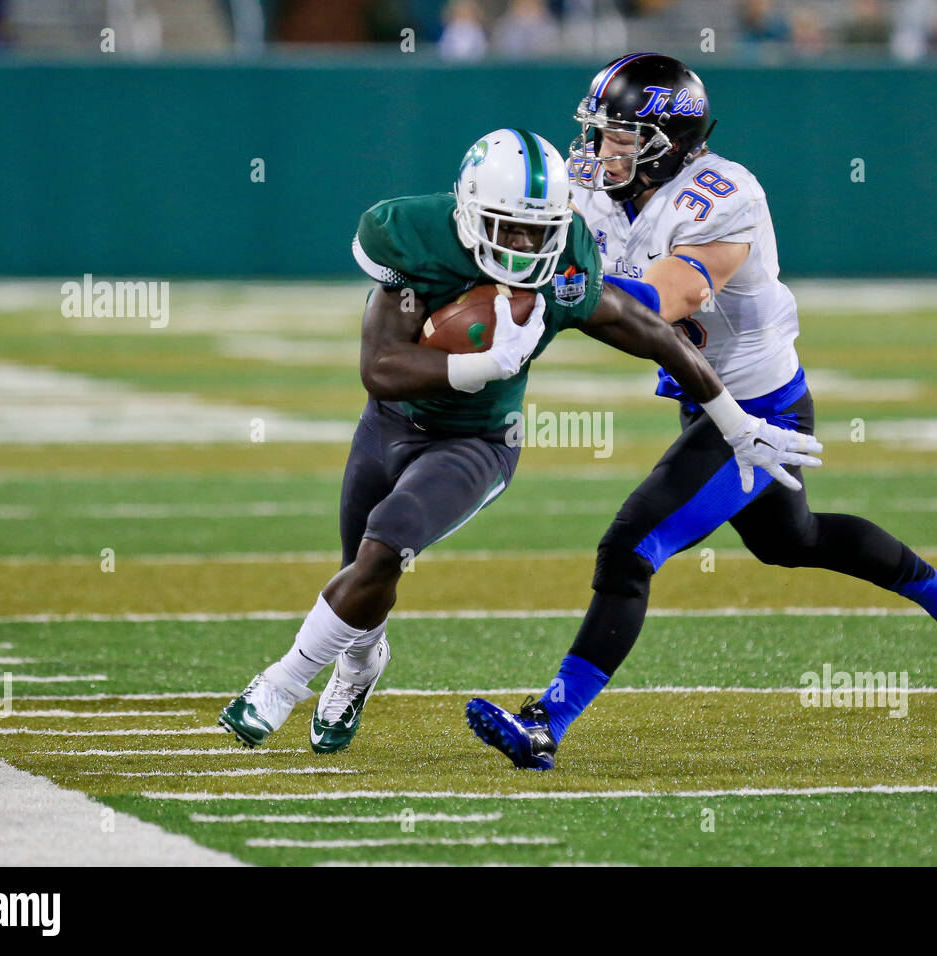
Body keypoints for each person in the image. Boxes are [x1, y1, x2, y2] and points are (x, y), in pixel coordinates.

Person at [466, 55, 937, 771]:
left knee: (629, 550)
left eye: (620, 137)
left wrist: (559, 287)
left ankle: (546, 723)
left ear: (670, 140)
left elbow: (662, 303)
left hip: (760, 412)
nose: (600, 151)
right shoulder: (601, 195)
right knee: (793, 539)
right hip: (707, 405)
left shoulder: (723, 196)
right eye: (598, 134)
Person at [218, 127, 822, 753]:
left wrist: (733, 420)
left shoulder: (566, 262)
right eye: (509, 227)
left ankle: (280, 685)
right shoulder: (411, 235)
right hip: (390, 424)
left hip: (479, 441)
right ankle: (361, 664)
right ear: (469, 208)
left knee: (383, 547)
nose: (526, 244)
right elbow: (381, 371)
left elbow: (651, 333)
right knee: (362, 577)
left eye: (539, 229)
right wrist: (484, 365)